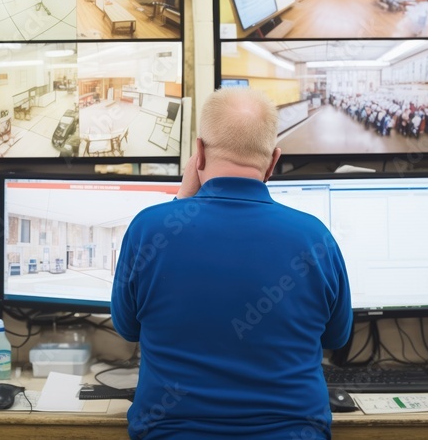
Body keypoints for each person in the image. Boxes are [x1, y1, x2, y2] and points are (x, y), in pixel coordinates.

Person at [111, 88, 352, 440]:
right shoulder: (316, 238)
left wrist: (181, 202)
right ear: (273, 161)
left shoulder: (149, 230)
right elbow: (337, 337)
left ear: (198, 153)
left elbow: (127, 328)